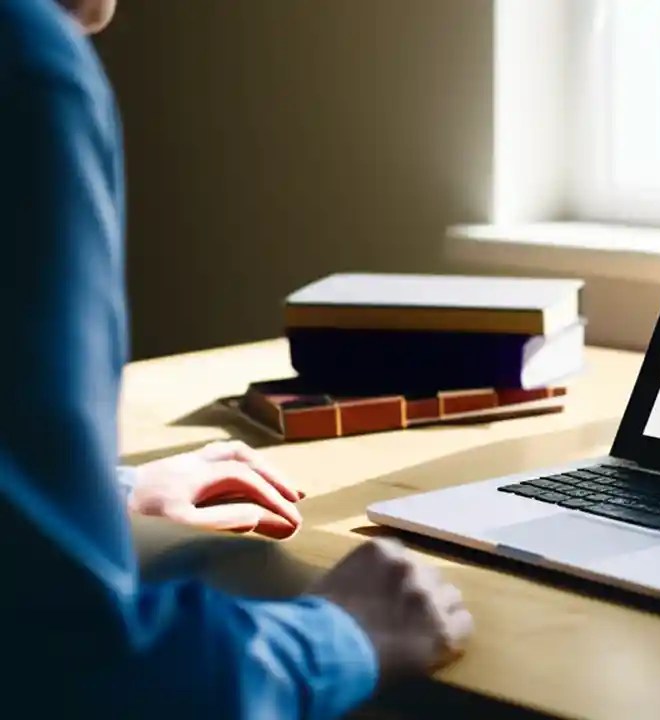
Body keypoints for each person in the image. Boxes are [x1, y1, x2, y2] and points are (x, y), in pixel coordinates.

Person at [0, 0, 473, 717]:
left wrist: (91, 495)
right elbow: (78, 673)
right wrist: (343, 634)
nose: (99, 14)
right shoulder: (23, 56)